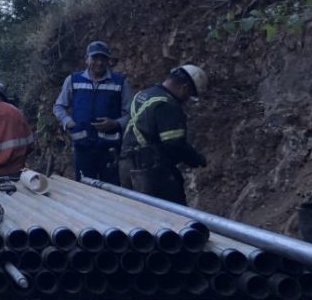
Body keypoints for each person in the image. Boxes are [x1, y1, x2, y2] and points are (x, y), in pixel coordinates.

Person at [119, 64, 208, 205]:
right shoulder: (168, 105)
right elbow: (174, 144)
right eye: (189, 94)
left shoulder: (144, 94)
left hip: (126, 165)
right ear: (184, 88)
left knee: (134, 212)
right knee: (171, 214)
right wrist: (196, 159)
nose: (186, 99)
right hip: (150, 172)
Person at [52, 40, 132, 183]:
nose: (99, 62)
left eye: (103, 58)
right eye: (95, 58)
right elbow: (59, 107)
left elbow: (130, 114)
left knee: (111, 191)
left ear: (109, 61)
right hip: (82, 147)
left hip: (109, 149)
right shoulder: (73, 80)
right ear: (87, 60)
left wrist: (116, 123)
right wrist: (68, 122)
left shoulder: (119, 82)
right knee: (84, 190)